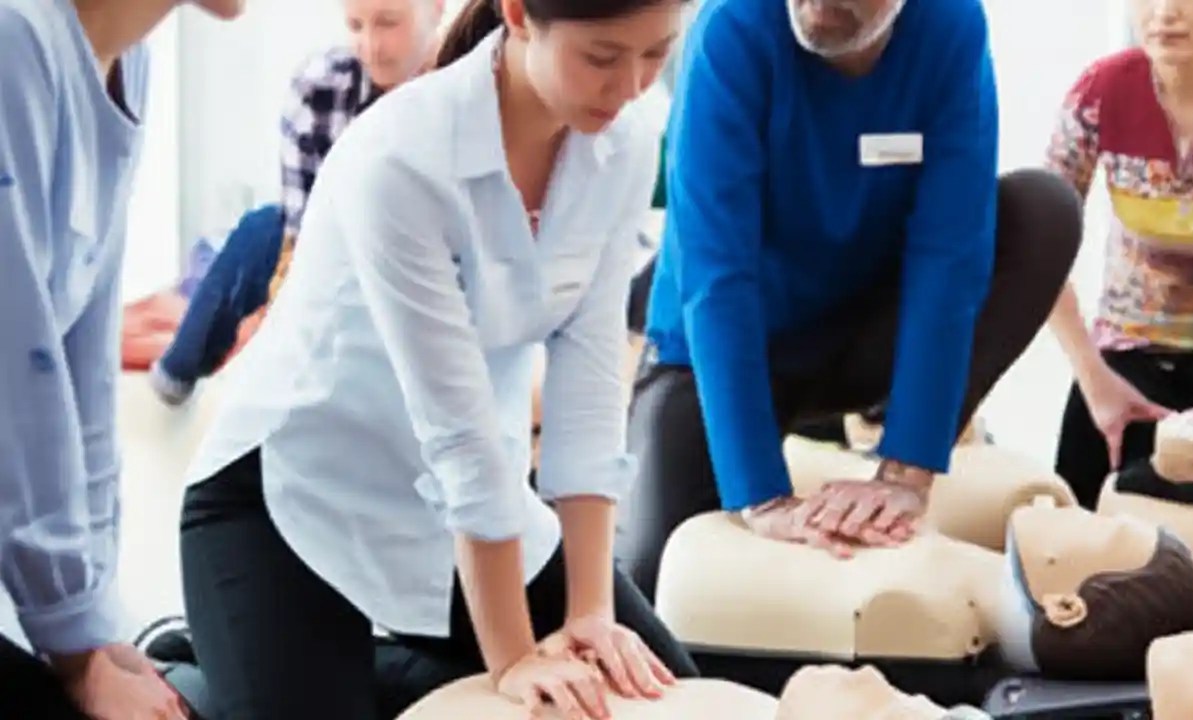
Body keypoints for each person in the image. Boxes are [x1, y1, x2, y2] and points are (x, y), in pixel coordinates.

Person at [177, 0, 698, 717]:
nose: (631, 87)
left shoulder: (628, 139)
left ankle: (380, 669)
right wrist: (513, 659)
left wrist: (590, 613)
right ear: (518, 14)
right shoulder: (400, 157)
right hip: (291, 497)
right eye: (603, 58)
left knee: (665, 694)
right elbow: (460, 432)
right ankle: (196, 667)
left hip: (461, 505)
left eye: (655, 55)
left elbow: (587, 375)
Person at [617, 0, 1085, 601]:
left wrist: (907, 473)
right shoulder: (732, 26)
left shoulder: (951, 24)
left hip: (862, 333)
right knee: (655, 578)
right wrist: (761, 494)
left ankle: (891, 430)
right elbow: (718, 275)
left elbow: (949, 255)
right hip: (725, 352)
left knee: (1042, 212)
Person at [0, 0, 246, 718]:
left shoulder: (125, 60)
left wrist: (93, 624)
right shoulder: (16, 37)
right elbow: (21, 370)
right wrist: (75, 650)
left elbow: (85, 364)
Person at [148, 0, 447, 406]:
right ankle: (177, 369)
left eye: (389, 24)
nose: (371, 46)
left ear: (437, 8)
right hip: (334, 259)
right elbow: (301, 237)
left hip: (426, 273)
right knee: (262, 229)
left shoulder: (470, 92)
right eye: (355, 26)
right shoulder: (322, 85)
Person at [1046, 0, 1193, 509]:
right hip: (1128, 365)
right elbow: (1039, 243)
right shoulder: (1102, 91)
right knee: (1078, 543)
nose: (1164, 12)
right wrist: (1095, 379)